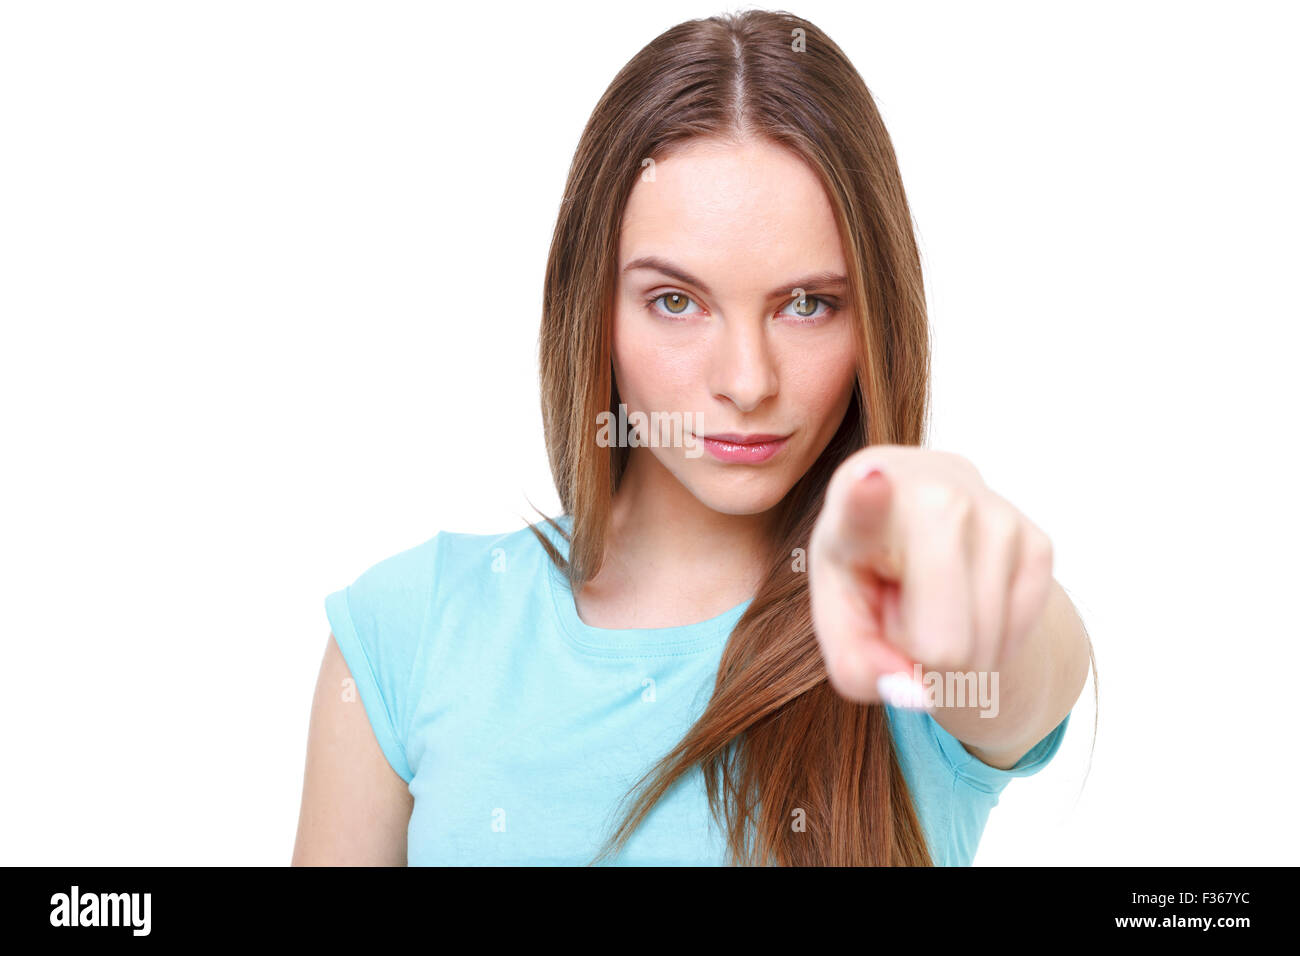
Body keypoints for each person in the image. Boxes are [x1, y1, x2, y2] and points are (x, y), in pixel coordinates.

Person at [292, 9, 1095, 866]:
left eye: (807, 304)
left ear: (876, 323)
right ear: (591, 308)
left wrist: (978, 577)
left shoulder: (910, 634)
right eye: (676, 301)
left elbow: (1024, 669)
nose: (747, 382)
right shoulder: (405, 633)